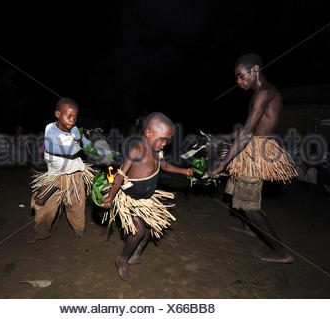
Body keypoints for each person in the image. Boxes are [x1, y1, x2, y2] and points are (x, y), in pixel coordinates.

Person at [209, 53, 298, 263]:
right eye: (237, 77)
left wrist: (222, 163)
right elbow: (250, 128)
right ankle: (249, 227)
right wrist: (224, 137)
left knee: (248, 204)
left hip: (257, 150)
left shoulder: (264, 93)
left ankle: (280, 252)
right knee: (235, 189)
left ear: (255, 70)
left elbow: (248, 132)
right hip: (251, 146)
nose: (238, 81)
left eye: (241, 76)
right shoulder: (259, 92)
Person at [102, 112, 194, 280]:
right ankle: (122, 259)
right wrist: (111, 196)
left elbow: (164, 165)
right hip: (131, 200)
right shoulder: (137, 149)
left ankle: (135, 255)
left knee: (151, 229)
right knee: (138, 231)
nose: (165, 143)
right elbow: (121, 175)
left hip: (147, 200)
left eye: (168, 140)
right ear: (148, 132)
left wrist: (184, 171)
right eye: (163, 139)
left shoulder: (156, 150)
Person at [29, 98, 98, 243]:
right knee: (42, 202)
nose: (72, 120)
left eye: (75, 117)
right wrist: (78, 147)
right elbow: (52, 148)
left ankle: (79, 229)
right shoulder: (50, 129)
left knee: (77, 204)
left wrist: (99, 150)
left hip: (75, 174)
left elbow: (86, 146)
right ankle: (41, 231)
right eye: (69, 116)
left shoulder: (75, 130)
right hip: (55, 175)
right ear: (58, 114)